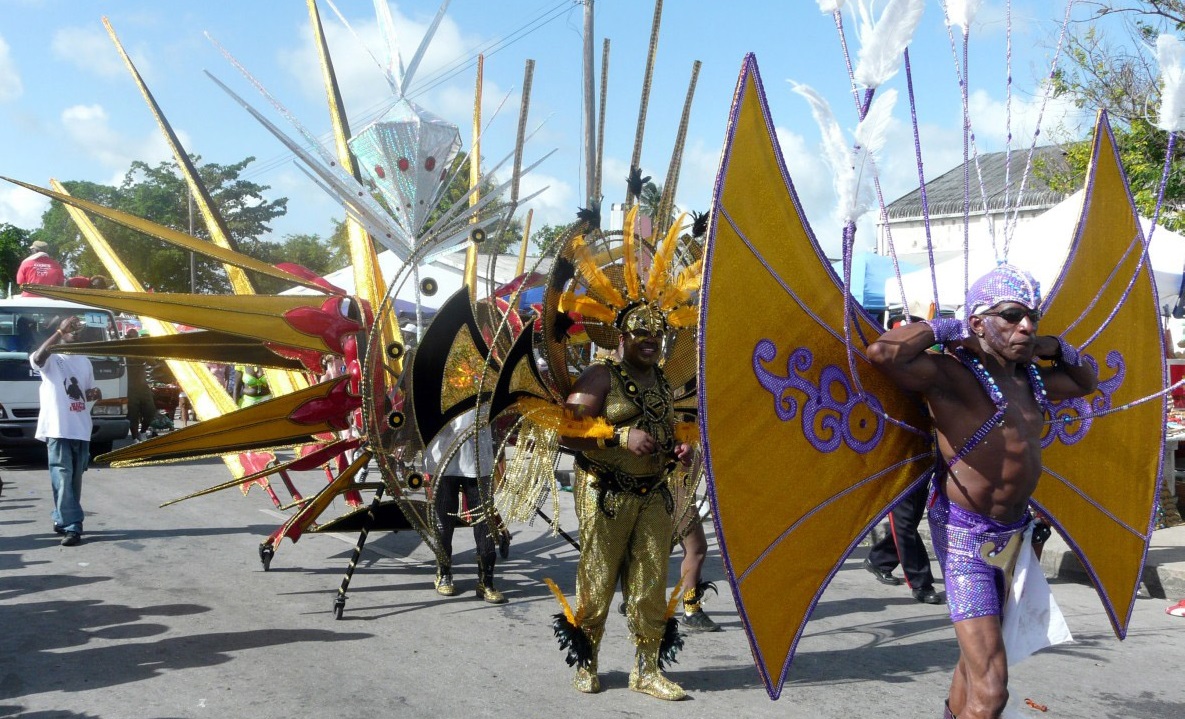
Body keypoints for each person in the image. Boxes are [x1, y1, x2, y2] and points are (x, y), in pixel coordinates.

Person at [867, 264, 1098, 719]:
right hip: (964, 537)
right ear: (978, 322)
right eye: (1011, 316)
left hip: (1015, 538)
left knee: (975, 665)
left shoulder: (1029, 379)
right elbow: (882, 354)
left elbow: (1086, 381)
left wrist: (1051, 347)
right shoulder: (951, 377)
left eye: (1033, 317)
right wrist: (944, 326)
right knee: (992, 691)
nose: (1026, 326)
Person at [559, 302, 695, 701]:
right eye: (642, 335)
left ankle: (647, 671)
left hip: (654, 491)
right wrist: (620, 437)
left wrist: (679, 446)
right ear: (622, 338)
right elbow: (566, 431)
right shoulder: (600, 375)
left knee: (652, 582)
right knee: (598, 580)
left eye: (657, 335)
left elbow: (666, 426)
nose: (651, 342)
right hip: (606, 490)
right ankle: (587, 662)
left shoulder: (662, 379)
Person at [31, 315, 102, 547]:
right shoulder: (51, 358)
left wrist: (94, 394)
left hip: (80, 429)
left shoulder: (84, 361)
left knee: (73, 481)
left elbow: (87, 391)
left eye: (78, 329)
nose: (76, 332)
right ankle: (73, 526)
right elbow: (38, 358)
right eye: (71, 328)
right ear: (60, 331)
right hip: (58, 428)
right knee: (62, 478)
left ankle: (61, 518)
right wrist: (60, 333)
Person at [425, 408, 505, 604]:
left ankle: (486, 581)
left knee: (484, 523)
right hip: (442, 458)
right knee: (444, 522)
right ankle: (443, 572)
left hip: (479, 459)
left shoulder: (486, 378)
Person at [862, 479, 943, 604]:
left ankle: (880, 559)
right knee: (904, 525)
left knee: (911, 521)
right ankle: (920, 582)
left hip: (923, 469)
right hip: (899, 473)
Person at [123, 329, 156, 441]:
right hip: (130, 387)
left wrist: (143, 350)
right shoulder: (124, 349)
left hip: (143, 386)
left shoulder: (141, 349)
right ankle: (134, 437)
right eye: (131, 337)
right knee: (133, 415)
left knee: (150, 412)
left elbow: (153, 362)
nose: (133, 339)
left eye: (135, 337)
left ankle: (142, 432)